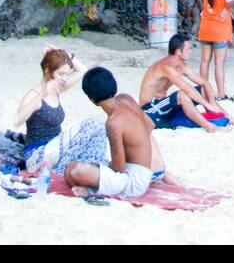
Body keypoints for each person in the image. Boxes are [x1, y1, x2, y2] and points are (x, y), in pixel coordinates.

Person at [64, 67, 169, 198]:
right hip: (143, 172)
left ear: (92, 100)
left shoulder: (113, 123)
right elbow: (150, 124)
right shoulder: (126, 98)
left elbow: (119, 168)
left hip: (134, 182)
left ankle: (92, 191)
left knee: (76, 172)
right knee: (70, 168)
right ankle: (92, 185)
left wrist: (103, 167)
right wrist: (139, 148)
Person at [11, 45, 108, 173]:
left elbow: (83, 71)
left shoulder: (57, 89)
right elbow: (17, 120)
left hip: (55, 149)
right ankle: (89, 172)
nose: (65, 78)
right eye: (61, 74)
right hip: (37, 155)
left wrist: (64, 54)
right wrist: (39, 96)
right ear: (48, 71)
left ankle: (96, 172)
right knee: (92, 125)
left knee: (99, 130)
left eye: (67, 74)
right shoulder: (35, 94)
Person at [139, 34, 229, 132]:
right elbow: (187, 89)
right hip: (149, 110)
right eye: (187, 49)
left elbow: (204, 82)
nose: (190, 52)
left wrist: (211, 102)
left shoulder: (181, 66)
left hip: (163, 106)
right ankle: (209, 127)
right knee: (181, 95)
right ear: (178, 52)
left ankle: (227, 117)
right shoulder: (166, 67)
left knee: (202, 90)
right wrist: (208, 106)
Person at [197, 0, 234, 99]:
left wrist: (204, 8)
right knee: (219, 63)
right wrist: (227, 9)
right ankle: (220, 94)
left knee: (204, 61)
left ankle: (202, 93)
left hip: (206, 27)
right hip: (220, 28)